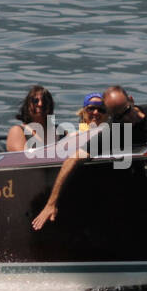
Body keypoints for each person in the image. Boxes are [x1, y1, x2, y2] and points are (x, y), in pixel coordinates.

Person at [31, 98, 108, 230]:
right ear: (83, 112)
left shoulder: (113, 134)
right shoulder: (73, 135)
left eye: (101, 109)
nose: (96, 112)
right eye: (91, 108)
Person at [7, 86, 55, 152]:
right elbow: (21, 159)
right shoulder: (18, 131)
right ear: (27, 105)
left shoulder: (60, 131)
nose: (40, 104)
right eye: (35, 101)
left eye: (45, 101)